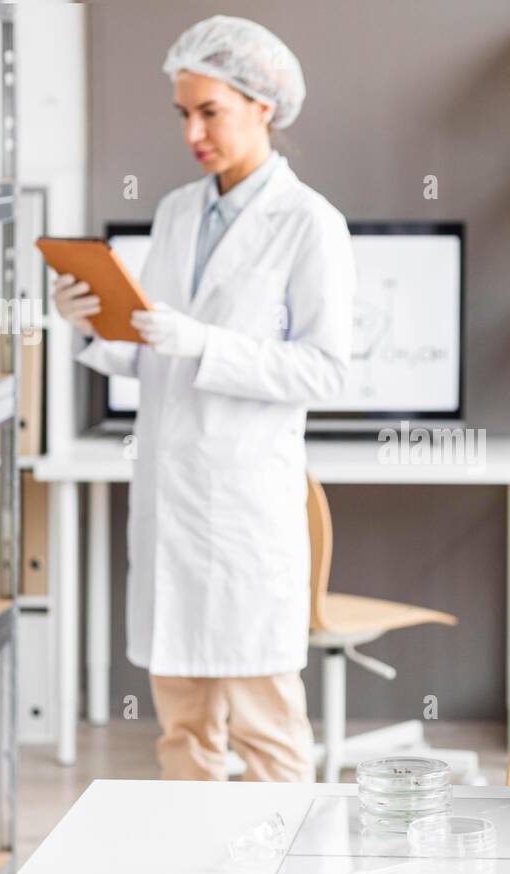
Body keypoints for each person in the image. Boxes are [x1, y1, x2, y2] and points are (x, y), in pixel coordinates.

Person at [53, 15, 354, 782]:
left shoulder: (310, 224)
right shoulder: (177, 212)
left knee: (267, 737)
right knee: (182, 734)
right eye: (183, 113)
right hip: (170, 503)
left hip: (244, 513)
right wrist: (90, 327)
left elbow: (325, 371)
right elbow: (156, 347)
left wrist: (205, 344)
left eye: (209, 111)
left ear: (264, 106)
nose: (192, 130)